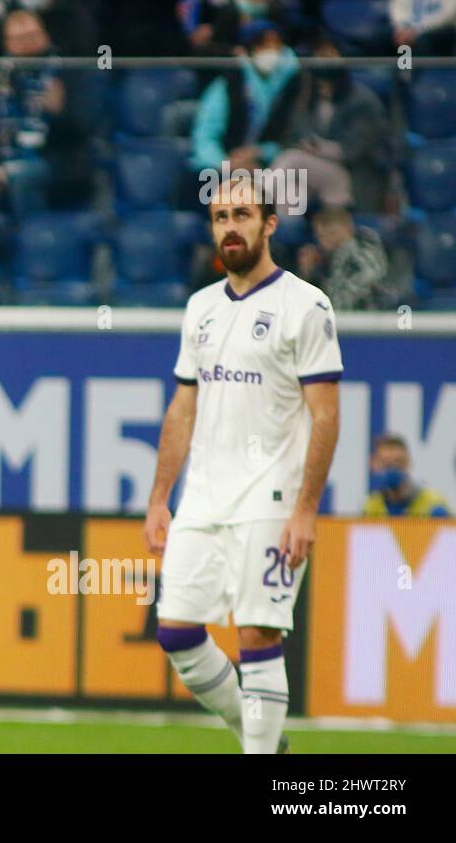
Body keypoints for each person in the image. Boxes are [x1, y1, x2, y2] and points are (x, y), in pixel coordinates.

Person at [145, 174, 342, 754]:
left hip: (272, 498)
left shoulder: (305, 305)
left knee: (257, 634)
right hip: (204, 498)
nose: (230, 227)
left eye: (242, 215)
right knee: (177, 631)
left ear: (270, 224)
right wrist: (160, 498)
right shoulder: (200, 307)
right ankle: (266, 743)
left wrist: (306, 511)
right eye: (220, 217)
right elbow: (184, 407)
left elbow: (326, 416)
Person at [0, 9, 96, 213]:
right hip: (5, 162)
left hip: (56, 163)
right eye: (17, 39)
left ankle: (34, 239)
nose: (25, 43)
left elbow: (86, 130)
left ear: (46, 35)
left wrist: (57, 114)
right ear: (7, 44)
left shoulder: (71, 73)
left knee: (24, 178)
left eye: (31, 36)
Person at [277, 36, 389, 214]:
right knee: (294, 189)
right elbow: (291, 136)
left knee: (292, 159)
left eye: (327, 81)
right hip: (315, 172)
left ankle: (258, 198)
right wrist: (305, 144)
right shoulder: (308, 100)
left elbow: (353, 151)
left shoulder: (363, 102)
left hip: (350, 174)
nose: (323, 86)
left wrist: (319, 148)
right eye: (319, 80)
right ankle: (286, 234)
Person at [190, 21, 301, 179]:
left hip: (277, 168)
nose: (271, 51)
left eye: (276, 44)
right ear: (249, 49)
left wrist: (260, 152)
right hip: (225, 166)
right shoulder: (228, 84)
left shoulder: (298, 84)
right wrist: (225, 164)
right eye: (262, 45)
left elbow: (295, 137)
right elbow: (205, 135)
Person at [296, 206, 390, 310]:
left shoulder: (363, 256)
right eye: (321, 236)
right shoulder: (328, 262)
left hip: (371, 318)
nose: (326, 241)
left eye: (332, 233)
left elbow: (342, 302)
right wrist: (308, 274)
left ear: (348, 230)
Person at [364, 433, 452, 517]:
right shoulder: (370, 508)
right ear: (375, 466)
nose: (393, 469)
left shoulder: (433, 504)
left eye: (399, 462)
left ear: (409, 463)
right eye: (387, 464)